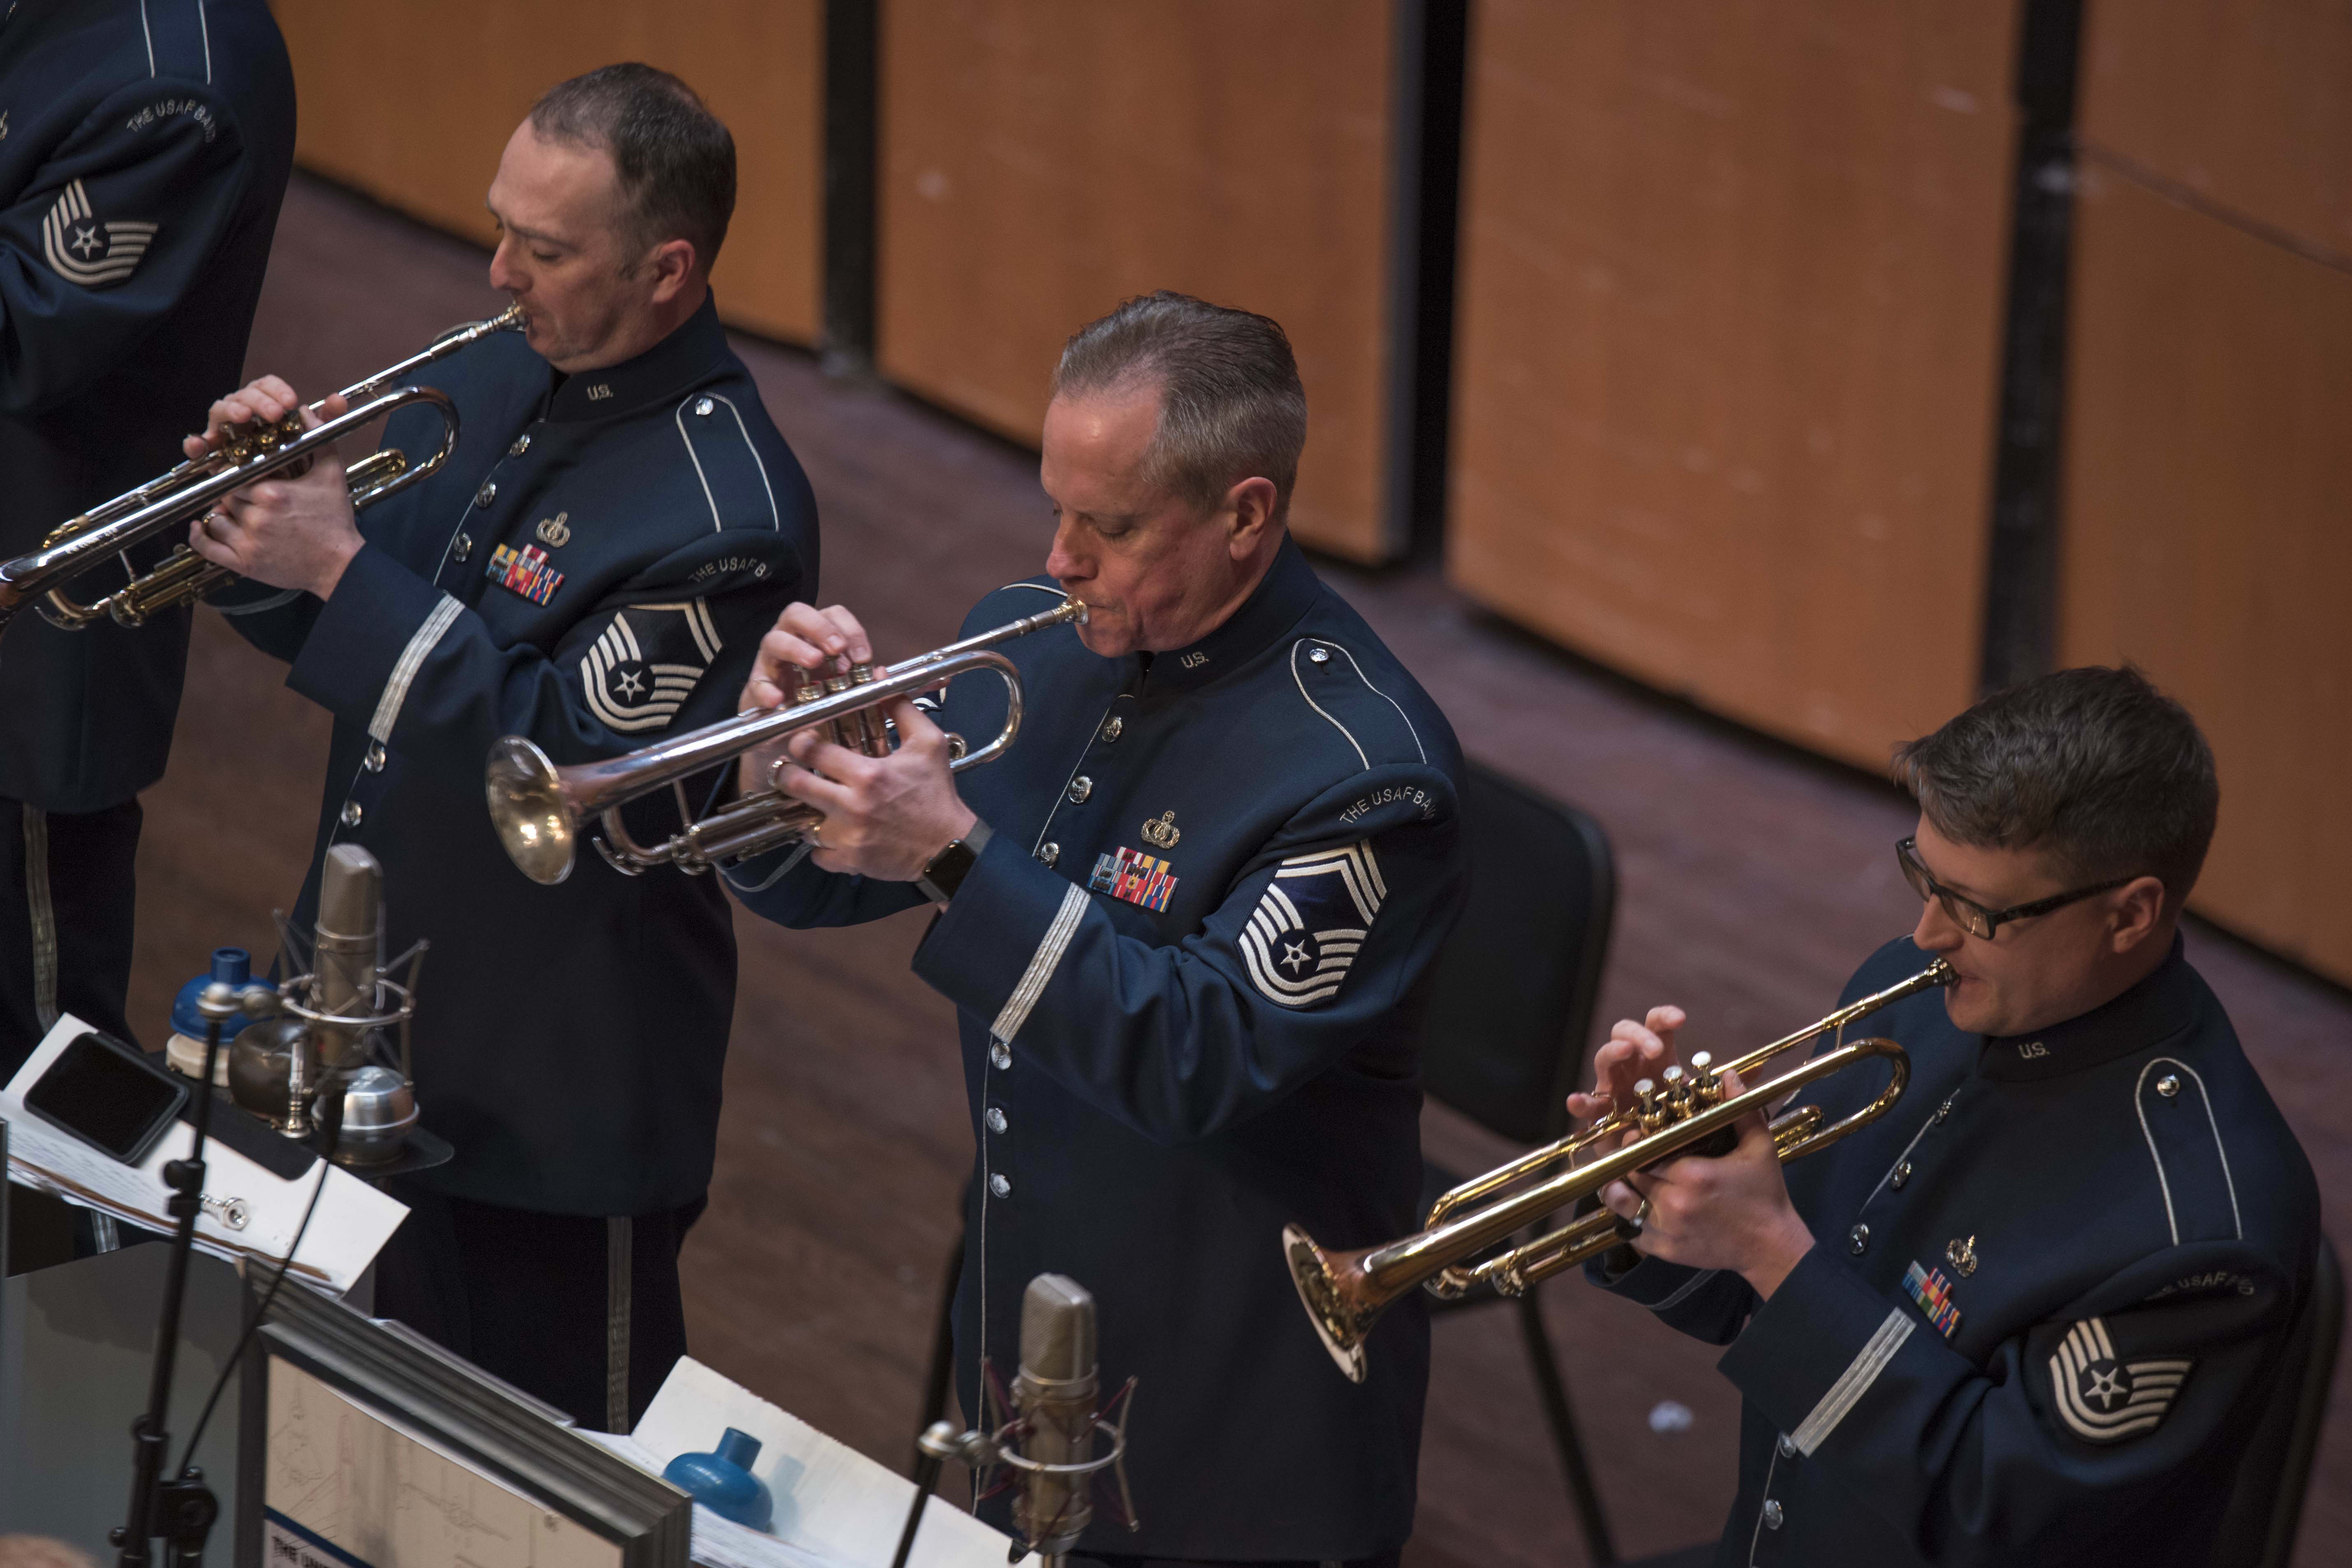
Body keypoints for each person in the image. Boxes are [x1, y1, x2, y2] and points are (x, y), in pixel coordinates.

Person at [727, 292, 1467, 1562]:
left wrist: (954, 851)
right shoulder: (1053, 640)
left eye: (1111, 525)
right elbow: (817, 886)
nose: (1060, 558)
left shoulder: (1365, 777)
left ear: (1246, 514)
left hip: (1235, 1410)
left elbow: (1193, 1057)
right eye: (1055, 507)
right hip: (1032, 1343)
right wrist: (777, 767)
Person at [183, 65, 817, 1431]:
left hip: (554, 1105)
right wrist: (259, 533)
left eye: (543, 249)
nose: (497, 273)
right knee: (334, 1447)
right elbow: (361, 643)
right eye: (499, 229)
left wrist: (339, 567)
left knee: (549, 1488)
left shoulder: (728, 510)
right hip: (371, 1029)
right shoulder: (494, 368)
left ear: (667, 270)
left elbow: (558, 766)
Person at [1577, 666, 2318, 1566]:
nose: (1928, 934)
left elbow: (1990, 1512)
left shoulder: (2199, 1233)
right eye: (1924, 876)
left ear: (2130, 915)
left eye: (1976, 908)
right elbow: (1763, 1292)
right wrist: (1659, 1178)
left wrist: (1769, 1245)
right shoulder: (1920, 995)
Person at [0, 0, 293, 1074]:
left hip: (31, 656)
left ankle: (76, 1253)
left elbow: (22, 335)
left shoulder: (185, 83)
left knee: (34, 1076)